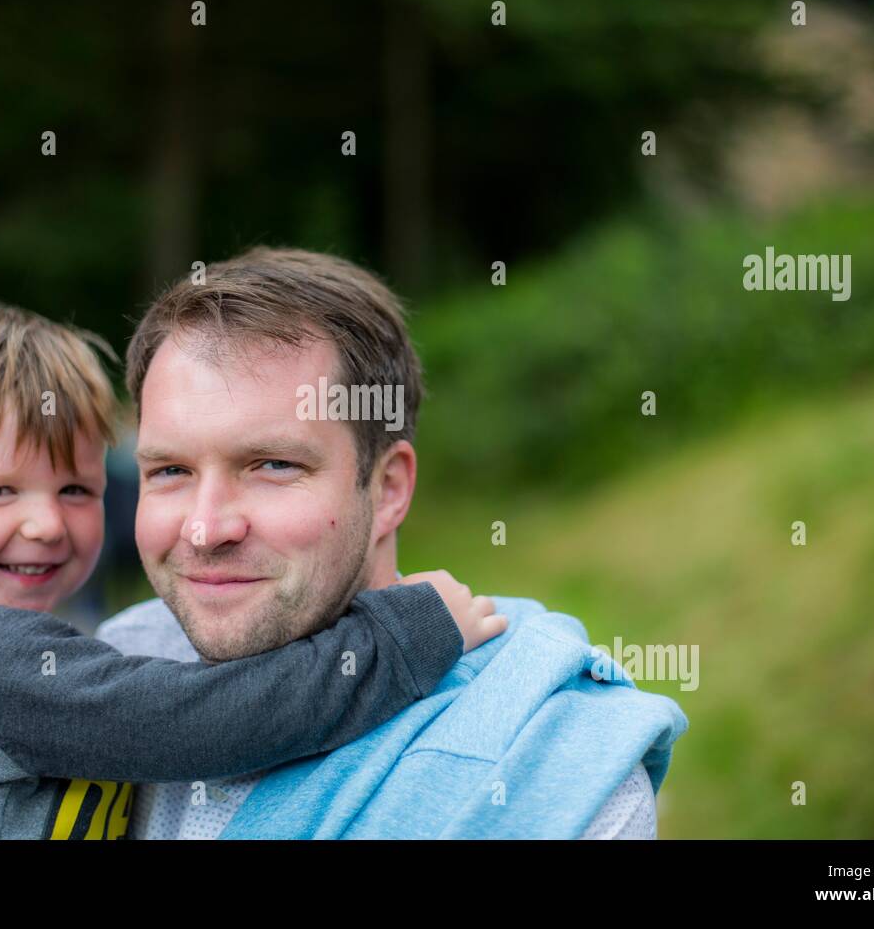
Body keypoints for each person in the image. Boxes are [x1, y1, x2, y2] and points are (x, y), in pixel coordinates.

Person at [0, 296, 504, 839]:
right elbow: (202, 721)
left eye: (75, 490)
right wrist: (397, 640)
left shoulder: (1, 642)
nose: (45, 524)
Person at [98, 245, 690, 838]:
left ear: (387, 488)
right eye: (170, 471)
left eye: (272, 465)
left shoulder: (555, 765)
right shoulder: (106, 675)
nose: (206, 529)